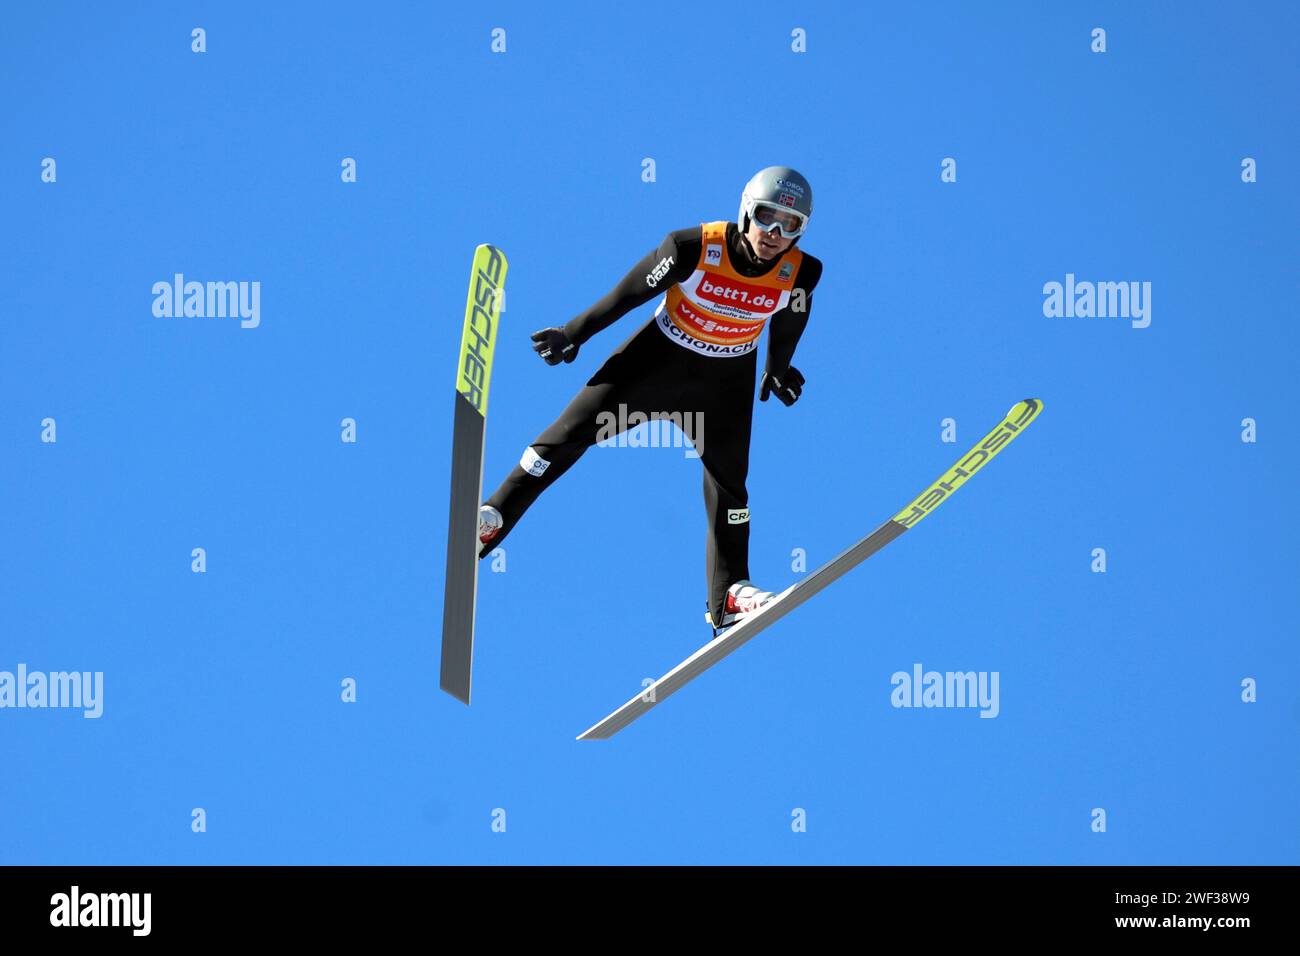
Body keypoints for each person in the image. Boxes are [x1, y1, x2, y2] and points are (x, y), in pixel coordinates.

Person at [477, 166, 823, 632]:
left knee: (731, 487)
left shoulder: (801, 270)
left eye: (790, 226)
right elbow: (630, 292)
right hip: (656, 365)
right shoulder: (694, 246)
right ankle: (495, 514)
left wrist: (777, 370)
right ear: (745, 210)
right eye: (766, 217)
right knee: (570, 434)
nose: (775, 234)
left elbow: (789, 320)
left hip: (723, 386)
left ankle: (729, 595)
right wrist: (574, 333)